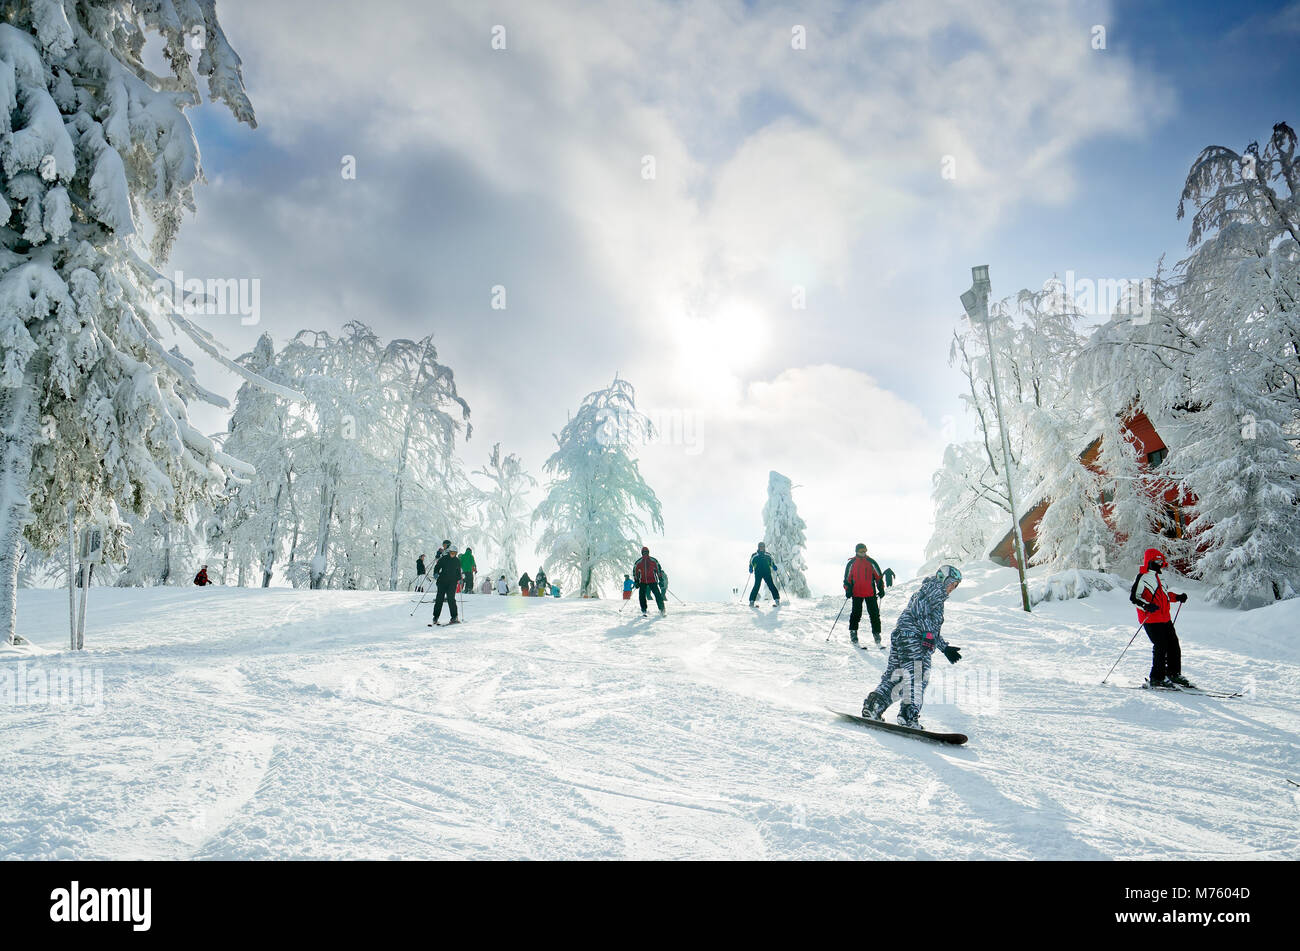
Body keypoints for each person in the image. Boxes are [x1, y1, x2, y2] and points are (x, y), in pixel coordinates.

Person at [861, 565, 964, 728]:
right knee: (918, 676)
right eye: (952, 583)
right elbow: (919, 611)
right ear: (943, 579)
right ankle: (908, 716)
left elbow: (925, 620)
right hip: (914, 639)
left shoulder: (930, 590)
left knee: (896, 677)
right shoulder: (935, 590)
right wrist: (928, 634)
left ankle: (874, 706)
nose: (953, 588)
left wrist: (944, 647)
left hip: (902, 636)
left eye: (956, 585)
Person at [1130, 548, 1192, 688]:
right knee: (1161, 646)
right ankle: (1157, 678)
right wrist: (1146, 606)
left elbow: (1164, 596)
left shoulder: (1160, 577)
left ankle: (1173, 674)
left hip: (1165, 618)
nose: (1160, 563)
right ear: (1150, 561)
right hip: (1151, 618)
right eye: (1157, 561)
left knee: (1174, 646)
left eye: (1161, 560)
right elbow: (1134, 598)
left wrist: (1177, 597)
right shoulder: (1142, 577)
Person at [842, 543, 885, 647]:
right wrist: (848, 590)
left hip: (870, 593)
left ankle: (876, 634)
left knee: (874, 614)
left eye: (865, 551)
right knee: (856, 614)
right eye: (861, 551)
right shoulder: (851, 563)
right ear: (856, 551)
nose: (863, 553)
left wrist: (881, 589)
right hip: (856, 593)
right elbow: (847, 579)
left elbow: (878, 577)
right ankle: (853, 632)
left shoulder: (871, 562)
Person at [430, 545, 462, 625]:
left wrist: (460, 579)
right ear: (449, 552)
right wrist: (436, 573)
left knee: (451, 599)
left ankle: (454, 617)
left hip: (452, 583)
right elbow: (437, 567)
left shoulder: (457, 561)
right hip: (442, 582)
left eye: (454, 553)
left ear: (456, 553)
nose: (452, 554)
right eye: (451, 552)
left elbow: (458, 572)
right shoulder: (443, 559)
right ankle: (435, 617)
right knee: (439, 599)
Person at [633, 546, 666, 616]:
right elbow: (635, 572)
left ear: (648, 552)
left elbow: (658, 570)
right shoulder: (639, 562)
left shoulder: (653, 561)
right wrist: (636, 581)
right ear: (642, 553)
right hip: (643, 581)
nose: (645, 554)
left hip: (652, 580)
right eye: (644, 553)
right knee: (641, 595)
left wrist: (661, 580)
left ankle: (662, 609)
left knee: (657, 594)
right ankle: (644, 609)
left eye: (646, 552)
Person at [748, 541, 780, 606]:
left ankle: (777, 600)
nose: (761, 548)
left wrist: (774, 566)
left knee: (771, 585)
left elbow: (772, 562)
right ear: (758, 547)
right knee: (757, 585)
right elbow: (751, 563)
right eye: (760, 547)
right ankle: (752, 601)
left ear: (764, 547)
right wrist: (750, 568)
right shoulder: (755, 555)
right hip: (758, 573)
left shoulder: (768, 555)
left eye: (763, 547)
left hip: (767, 573)